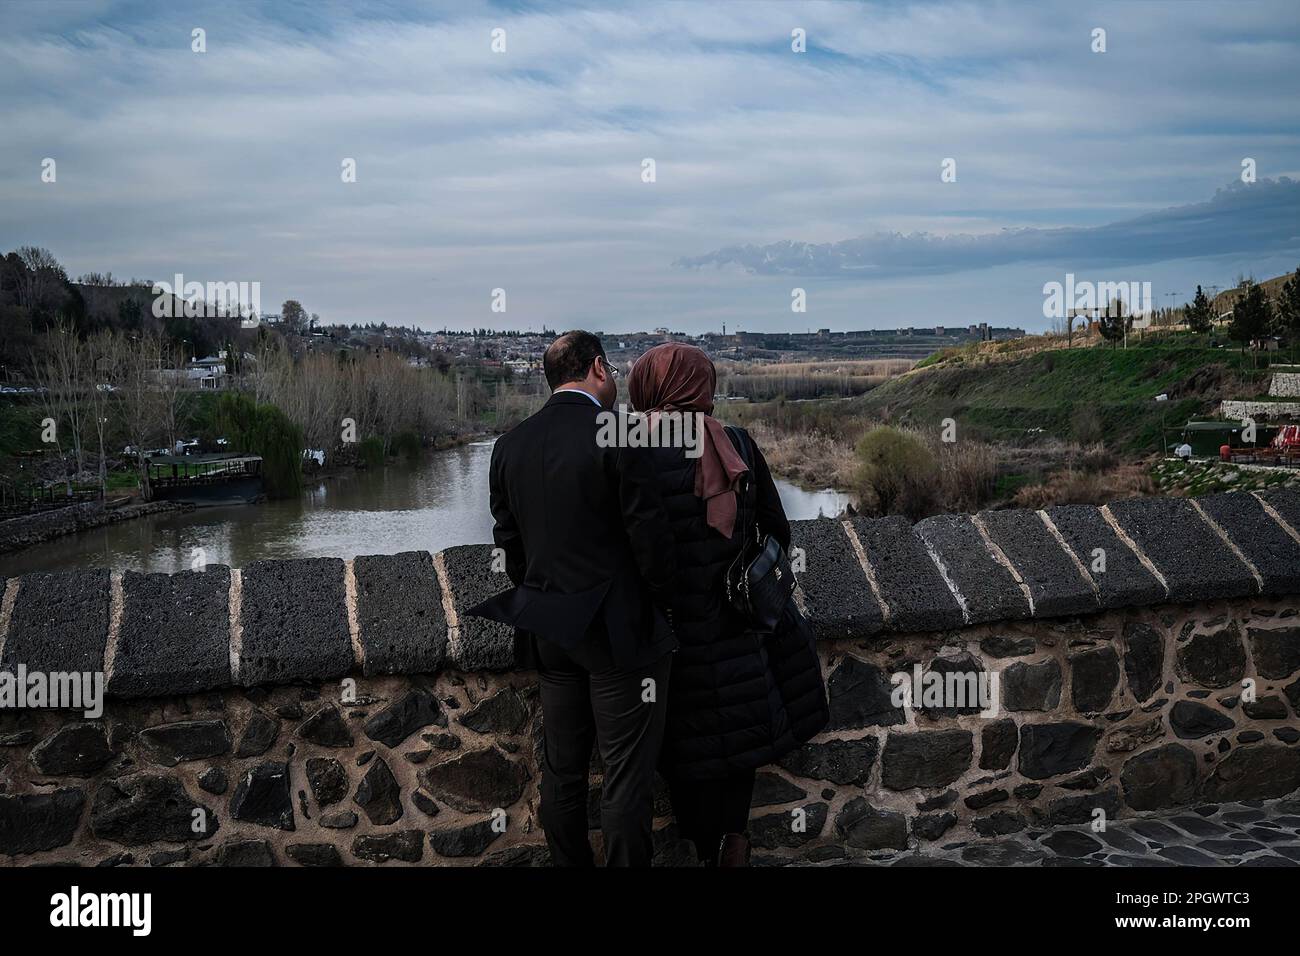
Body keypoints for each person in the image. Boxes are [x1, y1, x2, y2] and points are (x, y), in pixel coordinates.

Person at [469, 330, 678, 867]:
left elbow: (510, 546)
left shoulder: (509, 445)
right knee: (625, 776)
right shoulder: (618, 433)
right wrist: (659, 606)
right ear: (599, 369)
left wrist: (542, 592)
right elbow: (651, 543)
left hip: (550, 632)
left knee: (562, 773)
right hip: (618, 637)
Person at [627, 342, 829, 867]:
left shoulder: (630, 449)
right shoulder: (736, 441)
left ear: (651, 386)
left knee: (686, 750)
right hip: (737, 626)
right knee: (737, 746)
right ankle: (733, 847)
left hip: (671, 634)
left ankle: (697, 848)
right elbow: (777, 533)